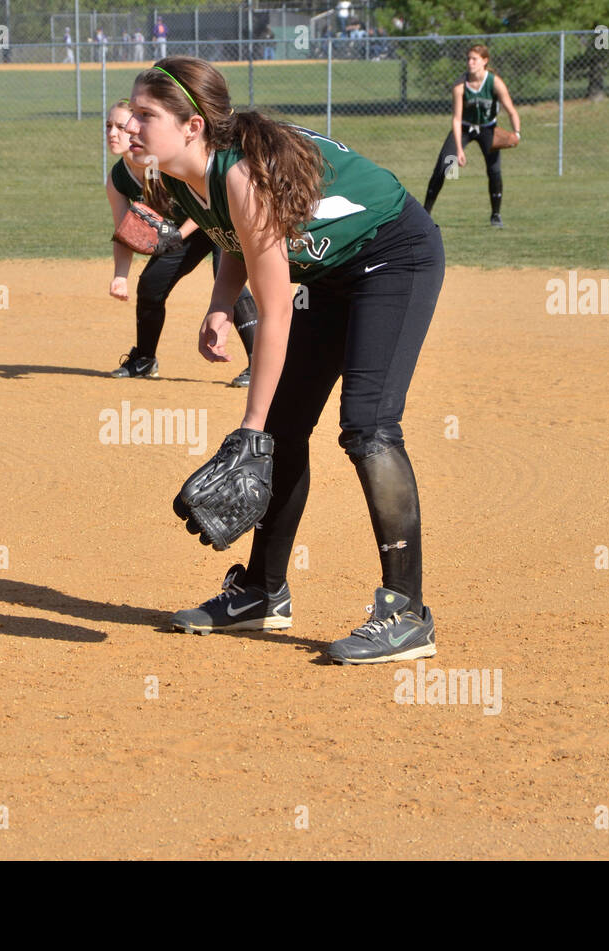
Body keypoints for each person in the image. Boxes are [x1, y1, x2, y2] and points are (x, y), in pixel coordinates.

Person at [123, 57, 444, 664]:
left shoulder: (240, 173)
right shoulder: (181, 176)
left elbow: (274, 312)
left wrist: (248, 427)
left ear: (192, 126)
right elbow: (235, 241)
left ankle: (407, 611)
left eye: (146, 115)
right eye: (131, 112)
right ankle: (260, 593)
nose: (130, 125)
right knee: (283, 431)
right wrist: (220, 303)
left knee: (368, 428)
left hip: (393, 254)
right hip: (329, 272)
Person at [104, 100, 256, 385]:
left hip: (218, 218)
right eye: (109, 126)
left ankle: (258, 362)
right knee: (151, 283)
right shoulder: (118, 179)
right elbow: (123, 232)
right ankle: (144, 359)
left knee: (228, 282)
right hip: (182, 232)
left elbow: (205, 201)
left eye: (121, 126)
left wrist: (177, 235)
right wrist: (119, 276)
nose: (114, 133)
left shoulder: (162, 163)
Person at [423, 45, 521, 228]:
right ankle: (425, 214)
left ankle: (496, 215)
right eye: (468, 58)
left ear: (485, 61)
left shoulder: (494, 82)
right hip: (464, 129)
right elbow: (456, 118)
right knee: (445, 164)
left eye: (474, 59)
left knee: (494, 170)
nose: (470, 62)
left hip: (487, 129)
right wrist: (459, 150)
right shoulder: (460, 85)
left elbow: (511, 111)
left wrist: (517, 133)